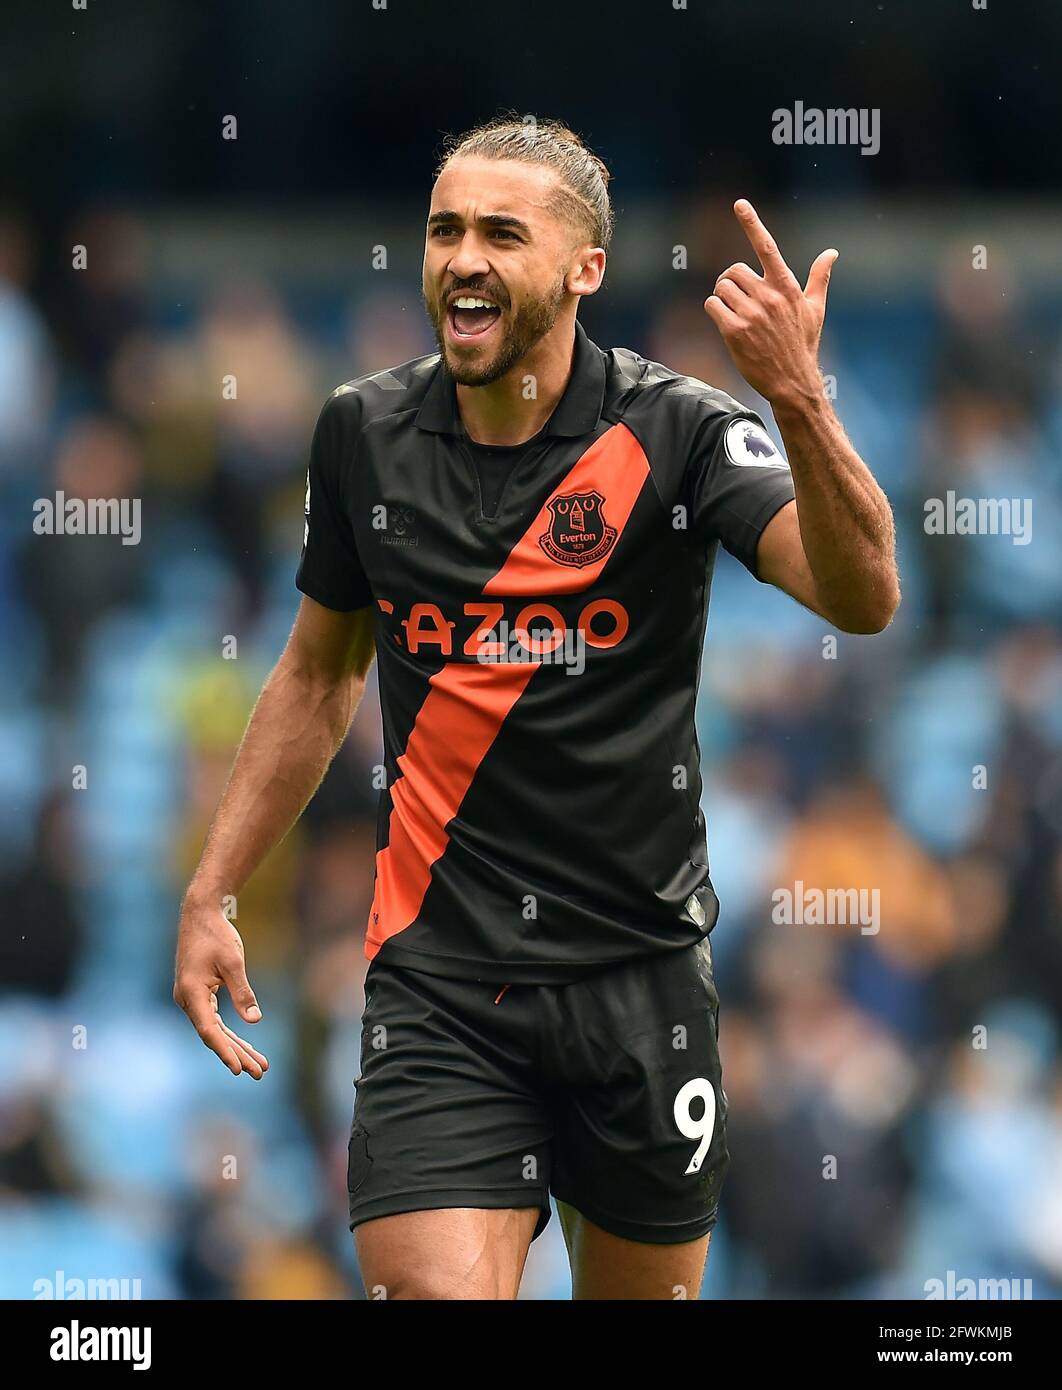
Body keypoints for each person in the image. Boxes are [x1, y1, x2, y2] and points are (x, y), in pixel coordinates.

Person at [173, 116, 899, 1300]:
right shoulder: (362, 431)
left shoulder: (684, 431)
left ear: (584, 267)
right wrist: (213, 889)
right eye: (444, 228)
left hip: (643, 988)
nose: (463, 257)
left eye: (502, 233)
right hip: (442, 987)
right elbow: (316, 672)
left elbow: (865, 596)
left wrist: (802, 403)